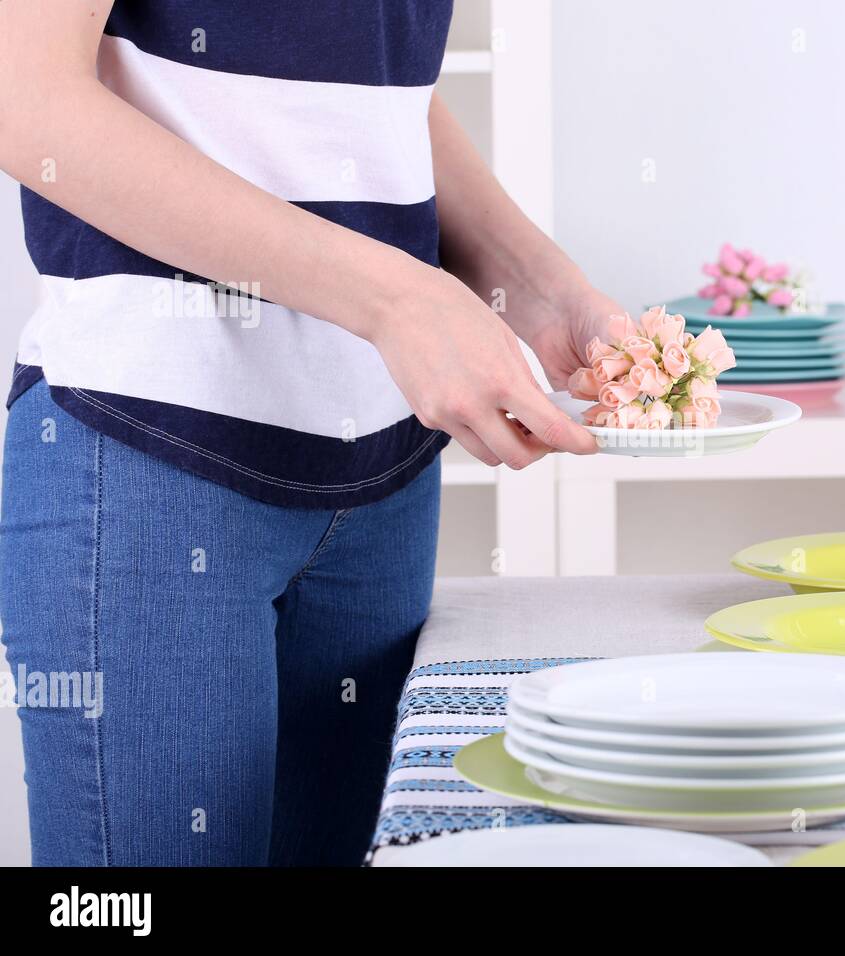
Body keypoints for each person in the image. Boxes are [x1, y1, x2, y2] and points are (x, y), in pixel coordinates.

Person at [0, 0, 618, 865]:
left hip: (383, 474)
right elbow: (24, 96)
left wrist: (538, 285)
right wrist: (401, 300)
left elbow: (369, 84)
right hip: (151, 448)